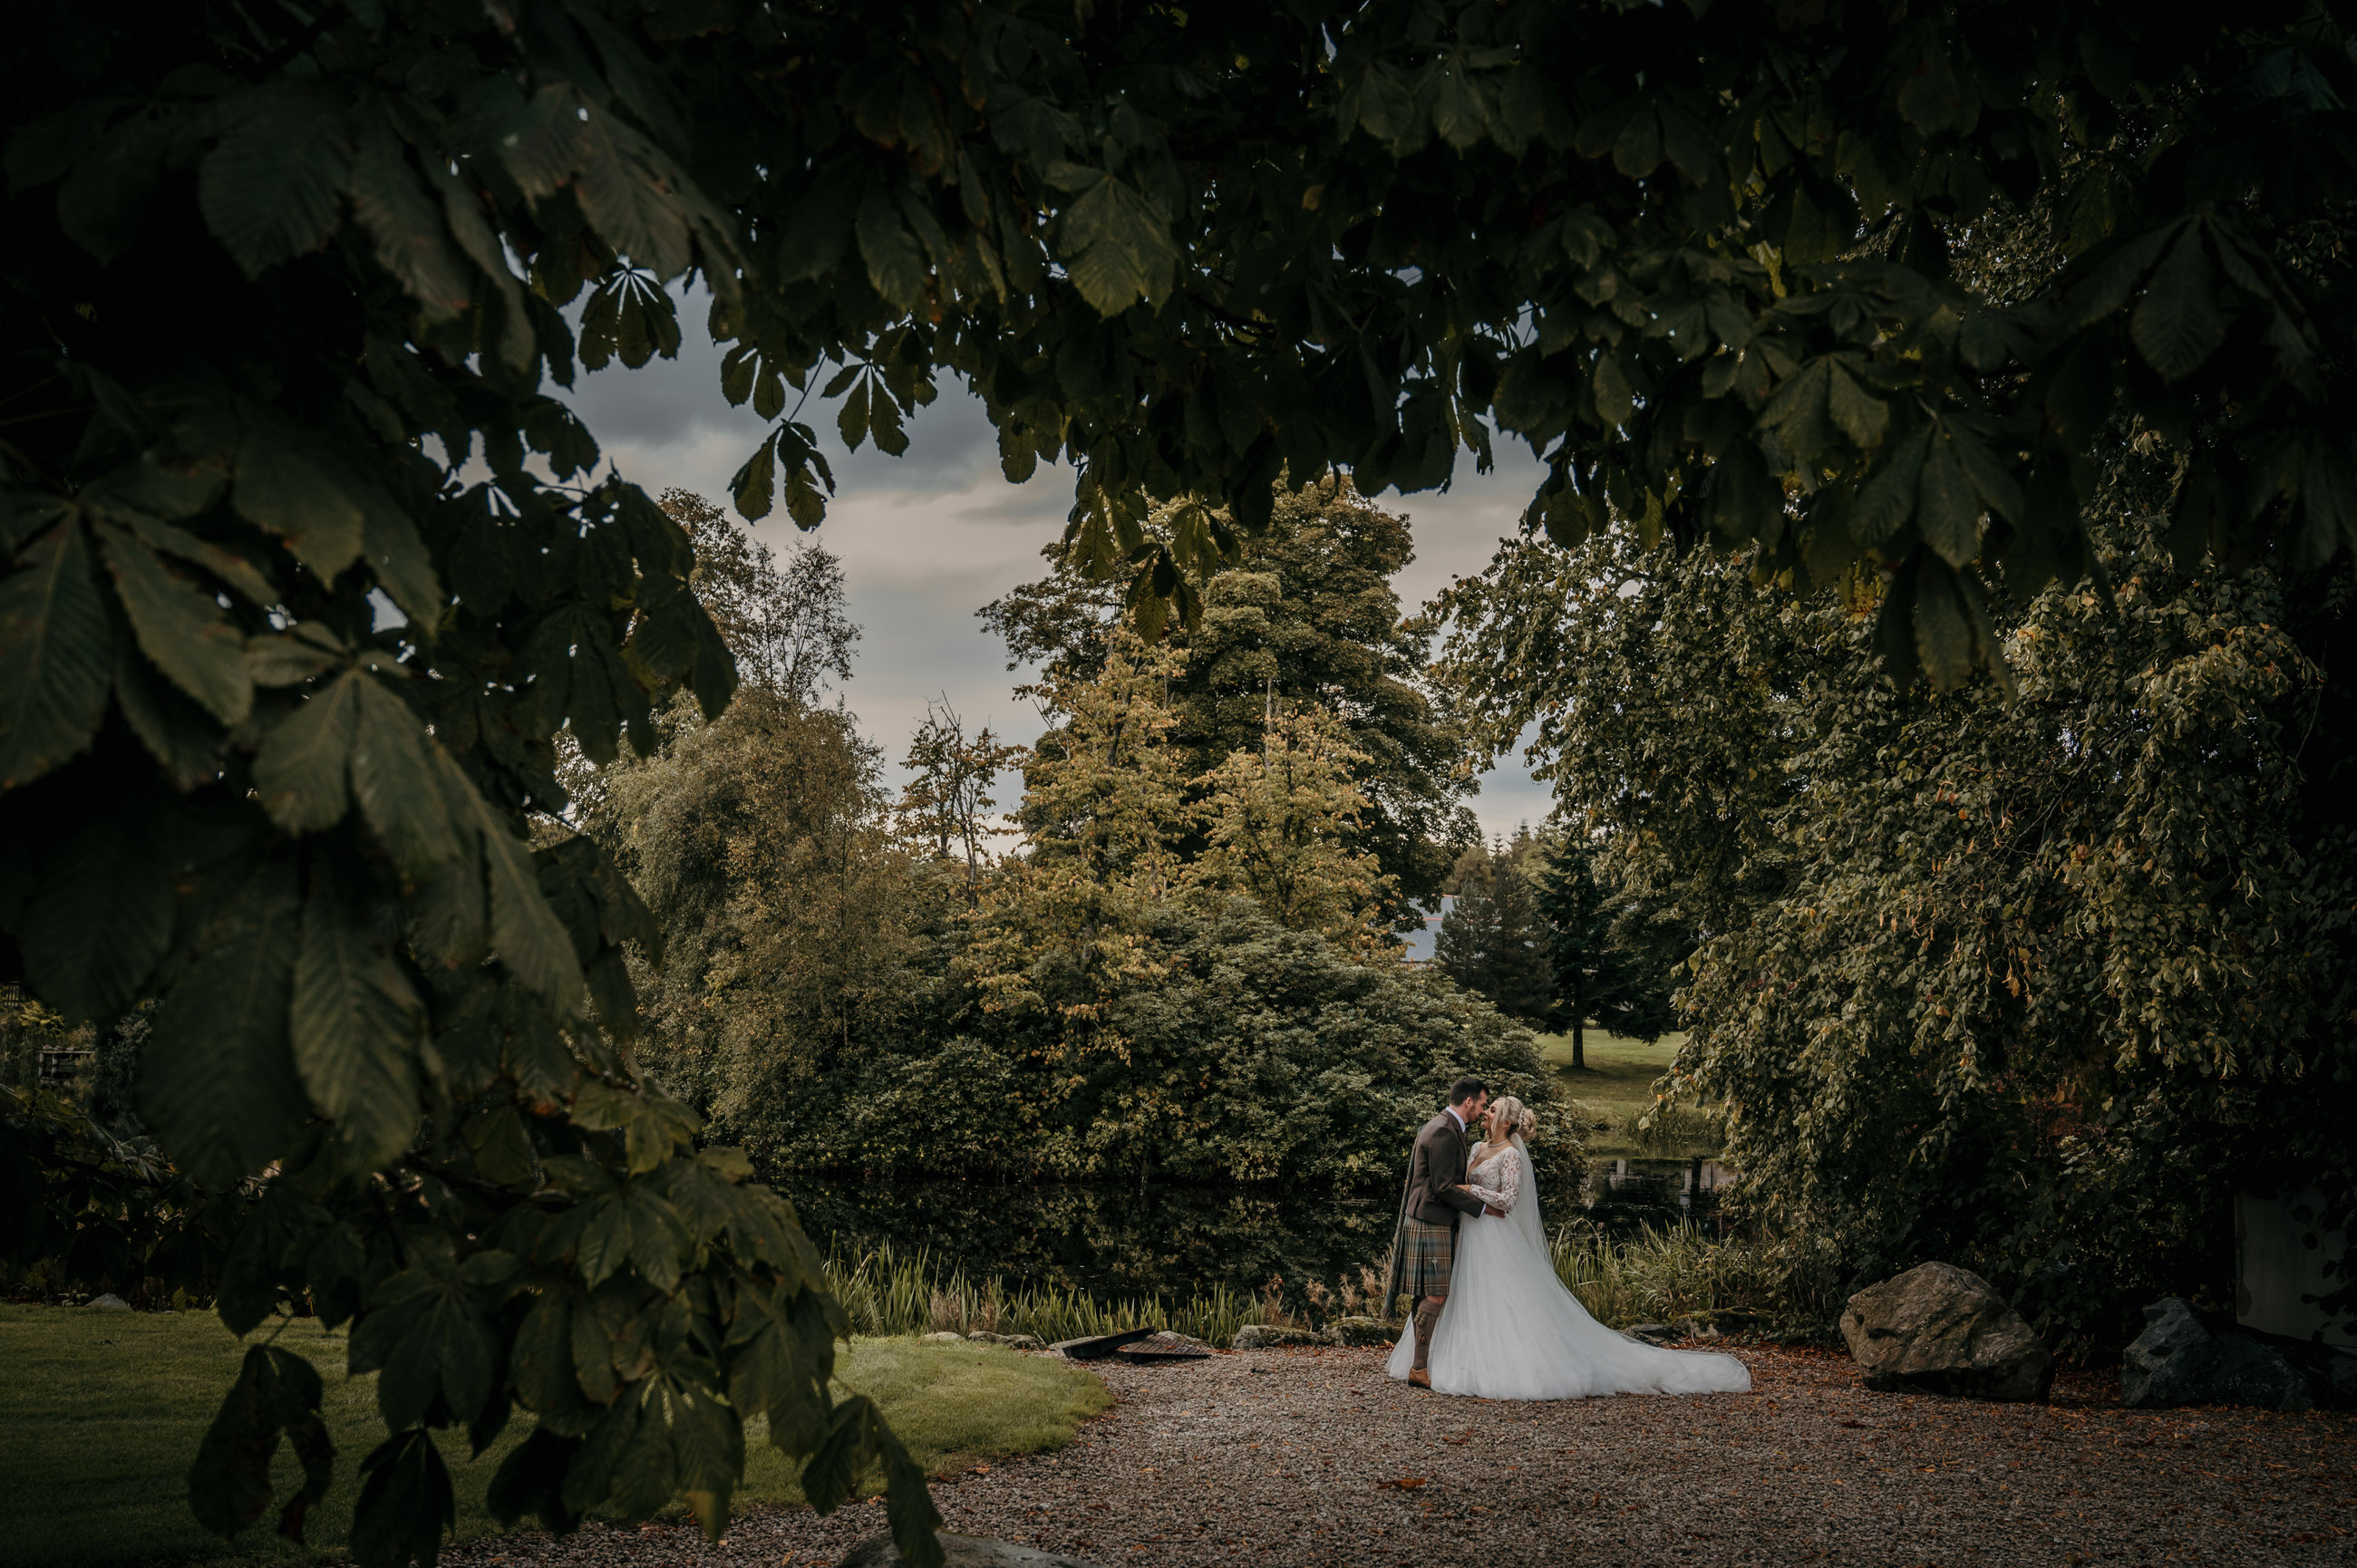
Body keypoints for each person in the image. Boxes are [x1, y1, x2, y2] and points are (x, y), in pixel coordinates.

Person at [1385, 1093, 1753, 1400]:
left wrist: (1469, 1191)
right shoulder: (1478, 1145)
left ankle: (1505, 1362)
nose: (1486, 1112)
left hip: (1495, 1235)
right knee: (1464, 1296)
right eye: (1487, 1106)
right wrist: (1464, 1193)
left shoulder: (1511, 1155)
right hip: (1470, 1231)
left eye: (1493, 1109)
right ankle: (1448, 1356)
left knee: (1500, 1299)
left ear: (1507, 1122)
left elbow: (1509, 1200)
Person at [1381, 1076, 1491, 1390]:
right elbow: (1443, 1187)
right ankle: (1419, 1368)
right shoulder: (1444, 1130)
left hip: (1426, 1217)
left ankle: (1420, 1365)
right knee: (1437, 1293)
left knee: (1426, 1293)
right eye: (1482, 1103)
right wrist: (1481, 1209)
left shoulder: (1445, 1124)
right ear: (1468, 1101)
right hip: (1432, 1219)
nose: (1482, 1110)